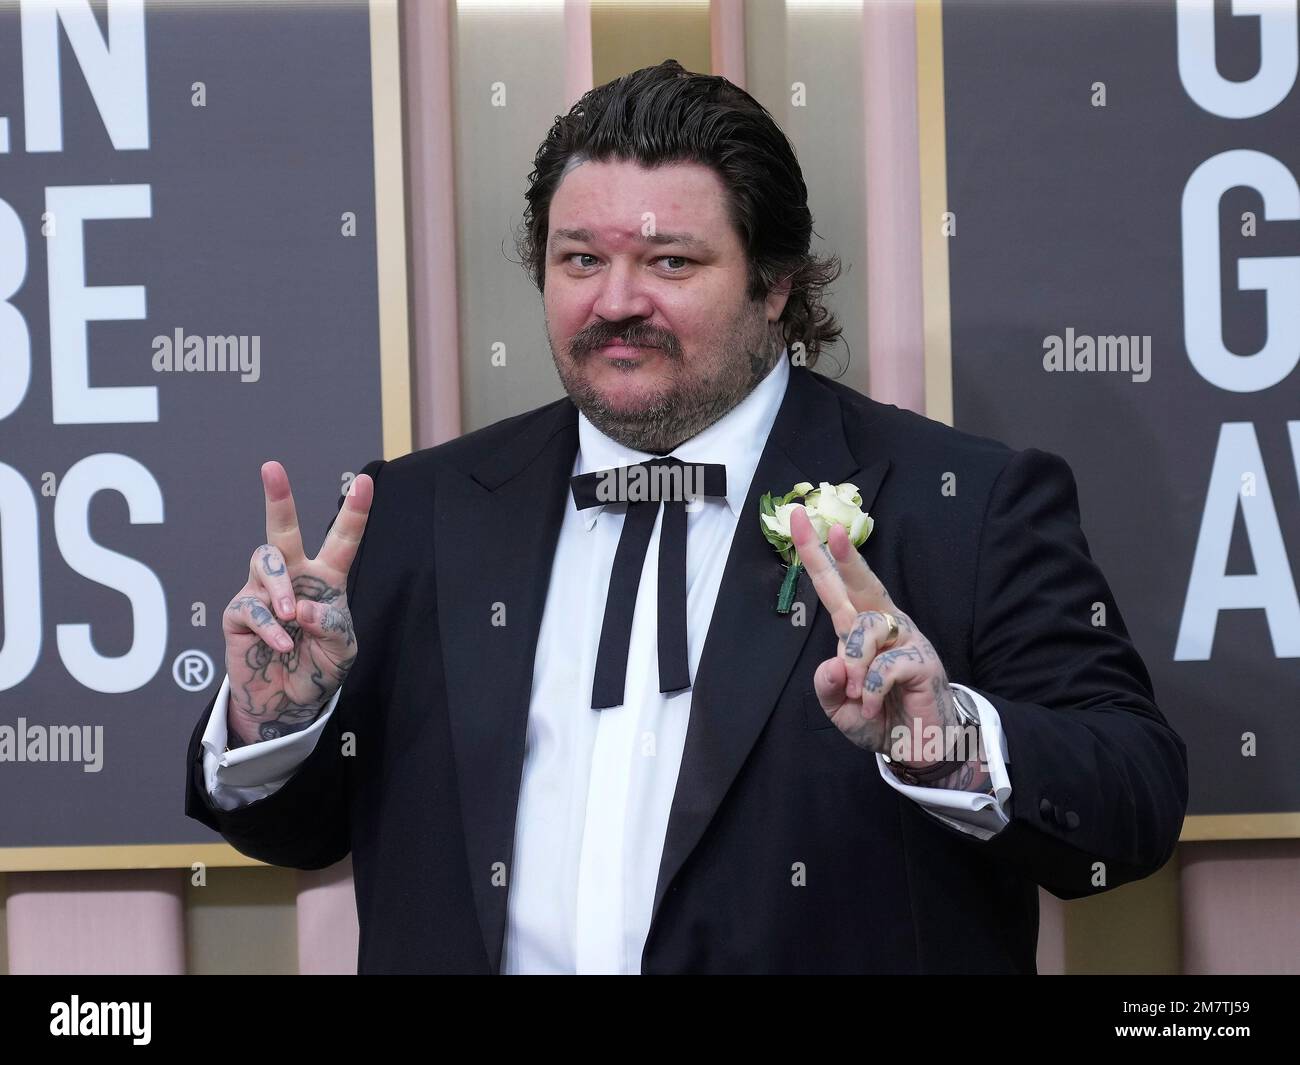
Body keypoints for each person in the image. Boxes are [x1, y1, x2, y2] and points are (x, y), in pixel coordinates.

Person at [184, 59, 1188, 974]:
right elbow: (298, 832)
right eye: (580, 259)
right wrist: (276, 720)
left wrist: (949, 739)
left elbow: (1132, 802)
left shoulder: (961, 502)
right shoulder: (414, 511)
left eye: (670, 263)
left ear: (775, 285)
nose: (616, 301)